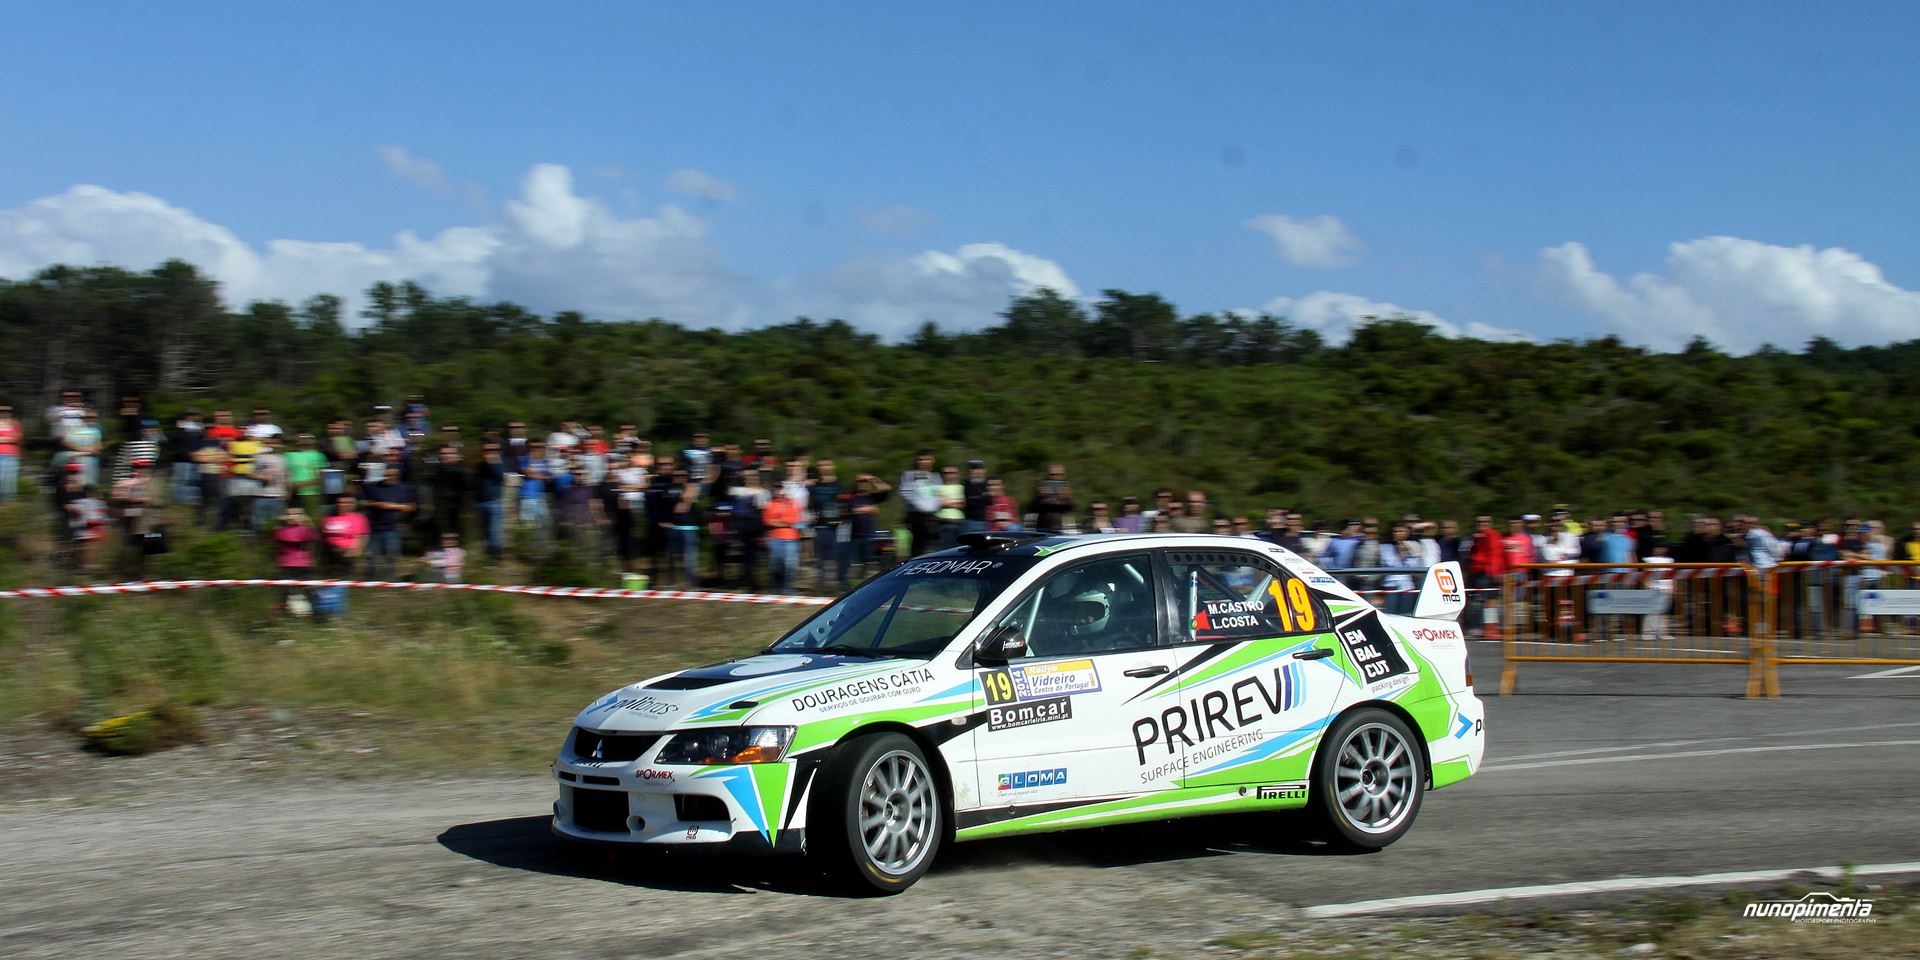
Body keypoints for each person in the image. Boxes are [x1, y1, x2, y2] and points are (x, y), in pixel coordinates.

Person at [362, 466, 414, 579]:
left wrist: (392, 506)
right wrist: (378, 504)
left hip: (393, 528)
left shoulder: (403, 488)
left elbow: (411, 507)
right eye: (388, 475)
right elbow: (363, 503)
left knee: (392, 556)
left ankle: (390, 581)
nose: (390, 477)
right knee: (371, 556)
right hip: (374, 528)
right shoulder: (373, 487)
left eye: (393, 475)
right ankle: (369, 581)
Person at [899, 450, 941, 557]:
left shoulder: (936, 477)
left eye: (926, 459)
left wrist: (934, 506)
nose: (923, 462)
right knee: (917, 546)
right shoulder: (909, 475)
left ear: (932, 461)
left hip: (932, 516)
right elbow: (905, 492)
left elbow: (939, 494)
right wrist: (922, 505)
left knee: (934, 546)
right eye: (920, 459)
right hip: (916, 515)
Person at [763, 487, 802, 594]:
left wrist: (778, 521)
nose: (781, 492)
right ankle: (777, 588)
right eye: (779, 490)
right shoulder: (771, 504)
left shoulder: (793, 503)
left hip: (791, 538)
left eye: (783, 490)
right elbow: (767, 520)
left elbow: (793, 520)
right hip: (775, 538)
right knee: (777, 564)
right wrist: (784, 522)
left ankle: (788, 589)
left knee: (790, 565)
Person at [1031, 464, 1075, 532]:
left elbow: (1072, 508)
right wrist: (1040, 498)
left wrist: (1067, 499)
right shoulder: (1042, 486)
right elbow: (1032, 508)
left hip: (1063, 523)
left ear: (1064, 475)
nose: (1056, 477)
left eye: (1059, 474)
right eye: (1052, 474)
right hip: (1044, 522)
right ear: (1048, 475)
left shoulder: (1067, 487)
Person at [936, 465, 966, 550]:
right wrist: (957, 501)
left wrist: (949, 501)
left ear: (957, 474)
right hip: (945, 523)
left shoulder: (962, 488)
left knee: (961, 550)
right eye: (946, 473)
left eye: (952, 473)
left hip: (961, 523)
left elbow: (964, 504)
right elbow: (942, 503)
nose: (949, 475)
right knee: (945, 550)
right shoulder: (939, 488)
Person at [0, 403, 20, 503]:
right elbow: (12, 438)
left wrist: (2, 438)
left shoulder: (15, 424)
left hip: (12, 454)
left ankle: (9, 501)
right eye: (2, 412)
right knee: (1, 477)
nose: (4, 414)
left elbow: (17, 438)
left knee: (11, 479)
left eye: (7, 412)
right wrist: (8, 438)